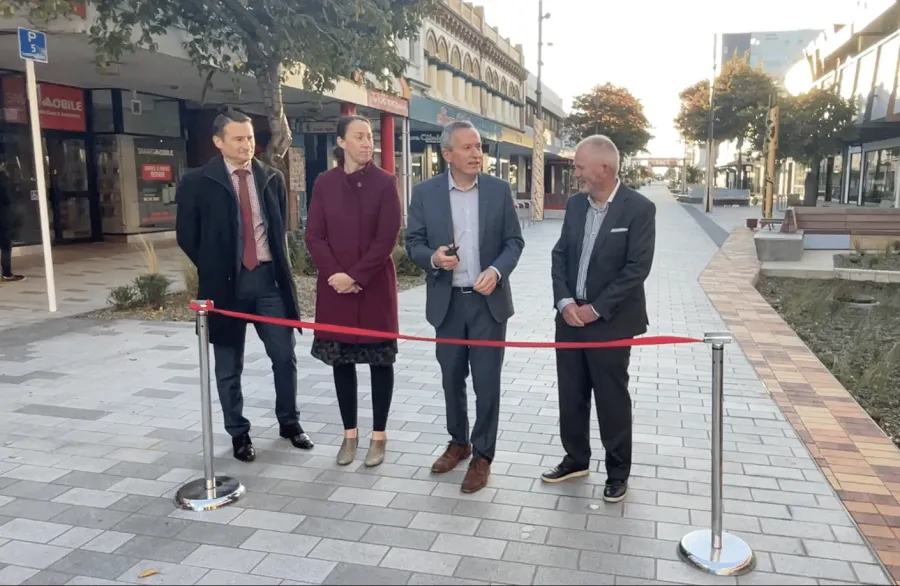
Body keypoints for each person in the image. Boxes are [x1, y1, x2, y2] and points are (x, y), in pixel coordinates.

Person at [175, 109, 313, 463]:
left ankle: (290, 423)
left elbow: (277, 229)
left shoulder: (271, 177)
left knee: (284, 357)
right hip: (225, 287)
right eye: (238, 139)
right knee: (228, 367)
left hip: (269, 282)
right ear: (218, 142)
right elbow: (187, 235)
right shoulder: (197, 182)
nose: (246, 145)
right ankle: (239, 433)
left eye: (250, 138)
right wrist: (214, 265)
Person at [406, 120, 524, 494]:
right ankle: (459, 442)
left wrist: (497, 271)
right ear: (447, 154)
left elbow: (514, 242)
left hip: (488, 305)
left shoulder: (498, 190)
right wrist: (434, 258)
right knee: (451, 378)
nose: (477, 154)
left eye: (479, 147)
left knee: (487, 383)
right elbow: (413, 242)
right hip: (448, 303)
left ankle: (483, 455)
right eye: (468, 148)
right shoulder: (425, 193)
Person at [542, 135, 656, 503]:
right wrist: (565, 303)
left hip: (611, 322)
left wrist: (596, 309)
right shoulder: (576, 205)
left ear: (603, 169)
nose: (576, 174)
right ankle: (575, 459)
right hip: (569, 319)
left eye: (580, 167)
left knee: (611, 399)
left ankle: (617, 472)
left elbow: (637, 268)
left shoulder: (639, 209)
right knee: (571, 394)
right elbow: (560, 255)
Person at [305, 115, 401, 468]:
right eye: (358, 137)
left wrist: (357, 276)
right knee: (341, 362)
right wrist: (336, 274)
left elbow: (387, 238)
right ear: (341, 142)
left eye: (369, 136)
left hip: (373, 287)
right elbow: (314, 235)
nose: (367, 142)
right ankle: (349, 435)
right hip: (336, 289)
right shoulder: (325, 183)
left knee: (380, 362)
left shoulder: (385, 182)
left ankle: (379, 435)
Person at [0, 168, 25, 283]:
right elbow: (9, 197)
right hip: (2, 217)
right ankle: (6, 273)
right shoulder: (3, 177)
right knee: (6, 245)